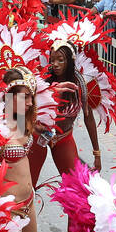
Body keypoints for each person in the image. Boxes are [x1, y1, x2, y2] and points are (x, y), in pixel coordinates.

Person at [30, 35, 103, 182]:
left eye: (60, 60)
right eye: (52, 60)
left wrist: (97, 153)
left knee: (76, 186)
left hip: (64, 138)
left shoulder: (81, 85)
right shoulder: (42, 81)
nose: (55, 64)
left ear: (70, 62)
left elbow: (89, 118)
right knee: (28, 185)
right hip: (39, 137)